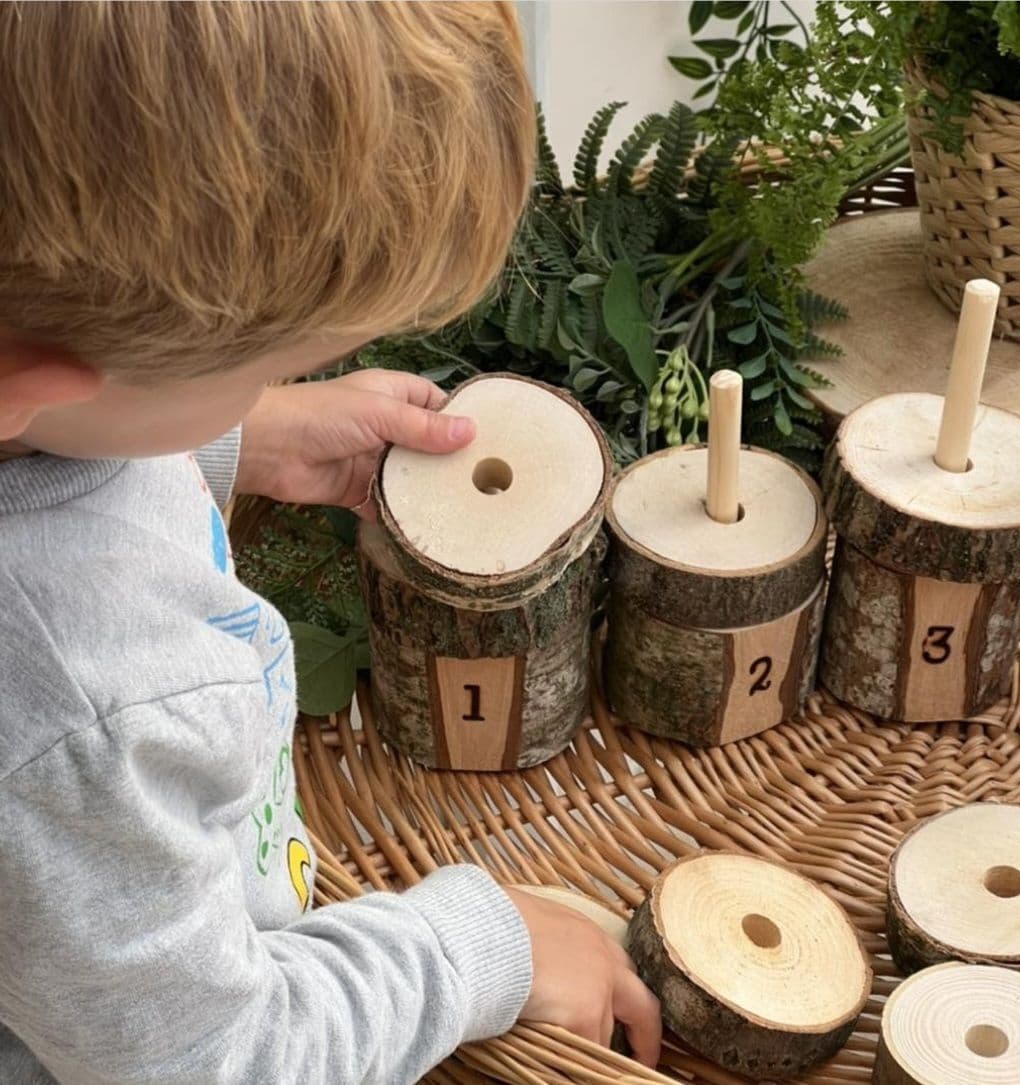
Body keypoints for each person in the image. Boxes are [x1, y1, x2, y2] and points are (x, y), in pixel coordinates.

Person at [0, 5, 661, 1083]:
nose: (282, 381)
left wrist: (239, 435)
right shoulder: (82, 716)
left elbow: (64, 449)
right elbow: (215, 1057)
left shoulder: (37, 396)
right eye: (264, 363)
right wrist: (484, 945)